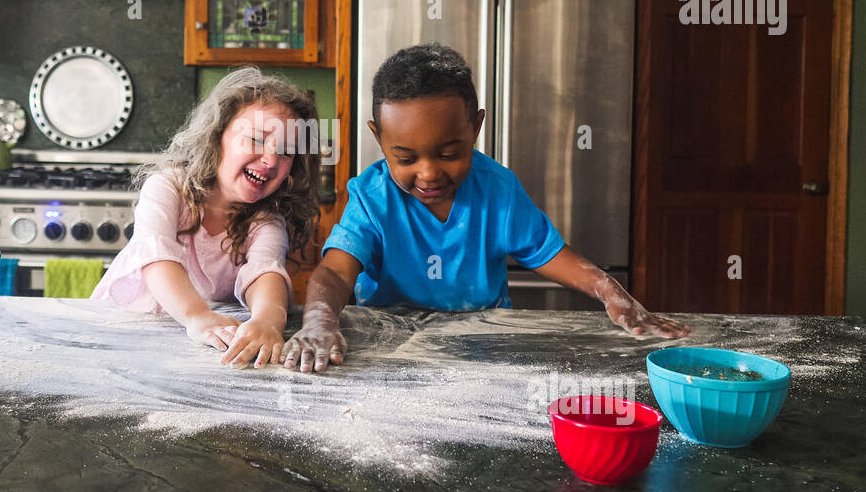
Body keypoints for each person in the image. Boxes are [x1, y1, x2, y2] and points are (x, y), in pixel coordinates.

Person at [282, 43, 690, 373]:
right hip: (390, 347)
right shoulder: (372, 197)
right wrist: (319, 321)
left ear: (475, 128)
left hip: (486, 346)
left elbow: (547, 254)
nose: (428, 174)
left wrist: (609, 290)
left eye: (449, 153)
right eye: (405, 159)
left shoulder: (497, 190)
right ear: (379, 138)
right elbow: (336, 271)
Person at [91, 67, 320, 368]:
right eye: (255, 139)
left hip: (188, 349)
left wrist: (267, 321)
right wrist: (197, 316)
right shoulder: (168, 188)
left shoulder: (265, 221)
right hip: (116, 335)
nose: (271, 159)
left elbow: (266, 272)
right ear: (216, 136)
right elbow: (157, 258)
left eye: (287, 152)